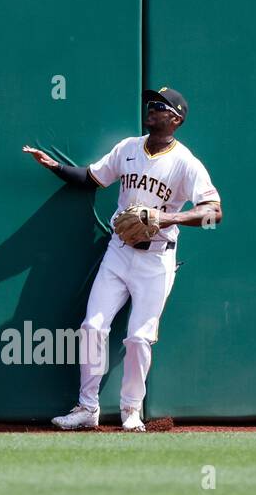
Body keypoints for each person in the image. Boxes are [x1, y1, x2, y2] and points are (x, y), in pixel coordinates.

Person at [22, 86, 222, 433]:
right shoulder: (128, 148)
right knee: (91, 328)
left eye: (159, 106)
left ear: (176, 119)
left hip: (156, 260)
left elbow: (213, 212)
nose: (151, 109)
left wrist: (166, 218)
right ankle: (87, 408)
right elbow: (91, 177)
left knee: (138, 339)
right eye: (150, 103)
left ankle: (131, 410)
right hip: (118, 251)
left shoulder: (185, 162)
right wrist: (55, 166)